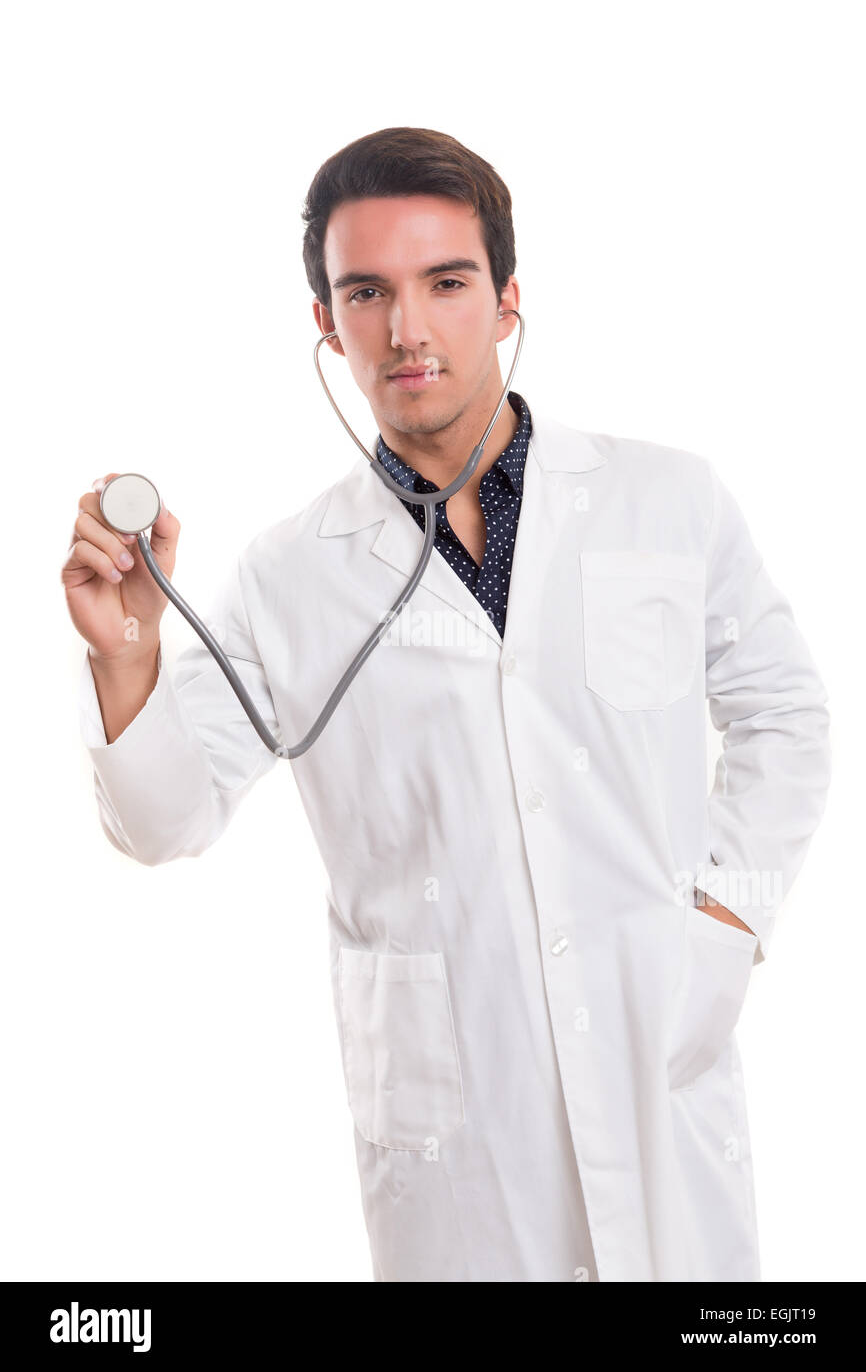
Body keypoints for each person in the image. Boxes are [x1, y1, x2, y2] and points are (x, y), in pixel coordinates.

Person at [62, 127, 831, 1283]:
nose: (406, 329)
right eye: (365, 292)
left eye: (445, 283)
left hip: (653, 1047)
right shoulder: (289, 573)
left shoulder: (664, 499)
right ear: (327, 324)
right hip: (452, 1118)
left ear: (508, 297)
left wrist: (726, 920)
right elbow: (164, 821)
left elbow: (786, 714)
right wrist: (127, 655)